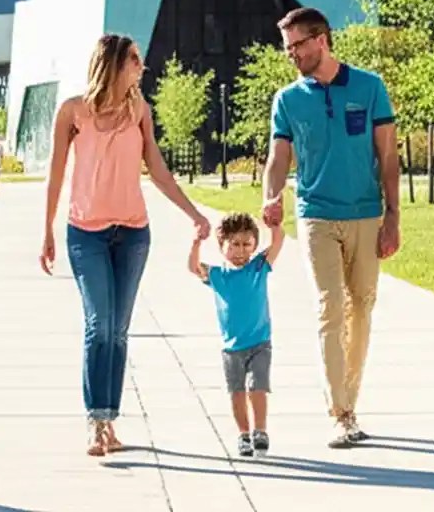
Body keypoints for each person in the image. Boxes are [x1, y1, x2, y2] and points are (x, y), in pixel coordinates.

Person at [40, 33, 212, 457]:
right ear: (114, 63)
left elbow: (158, 169)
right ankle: (95, 420)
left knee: (117, 331)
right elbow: (56, 173)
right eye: (134, 58)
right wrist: (47, 230)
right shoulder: (73, 112)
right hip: (86, 234)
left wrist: (193, 213)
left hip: (133, 234)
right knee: (99, 324)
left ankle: (109, 421)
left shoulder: (140, 111)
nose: (142, 64)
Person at [261, 6, 401, 449]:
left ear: (321, 39)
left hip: (366, 213)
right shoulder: (287, 99)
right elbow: (278, 158)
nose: (291, 55)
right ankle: (340, 412)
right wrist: (271, 195)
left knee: (361, 307)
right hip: (316, 214)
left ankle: (350, 401)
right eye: (287, 48)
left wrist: (393, 215)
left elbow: (388, 156)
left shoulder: (370, 87)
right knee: (330, 306)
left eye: (297, 45)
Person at [187, 212, 284, 457]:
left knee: (258, 387)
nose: (240, 250)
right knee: (237, 392)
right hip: (232, 348)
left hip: (260, 342)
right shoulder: (218, 275)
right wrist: (196, 242)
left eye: (246, 244)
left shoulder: (259, 267)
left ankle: (260, 431)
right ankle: (243, 434)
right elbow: (194, 267)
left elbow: (278, 242)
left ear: (254, 245)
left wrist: (274, 225)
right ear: (222, 246)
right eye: (234, 244)